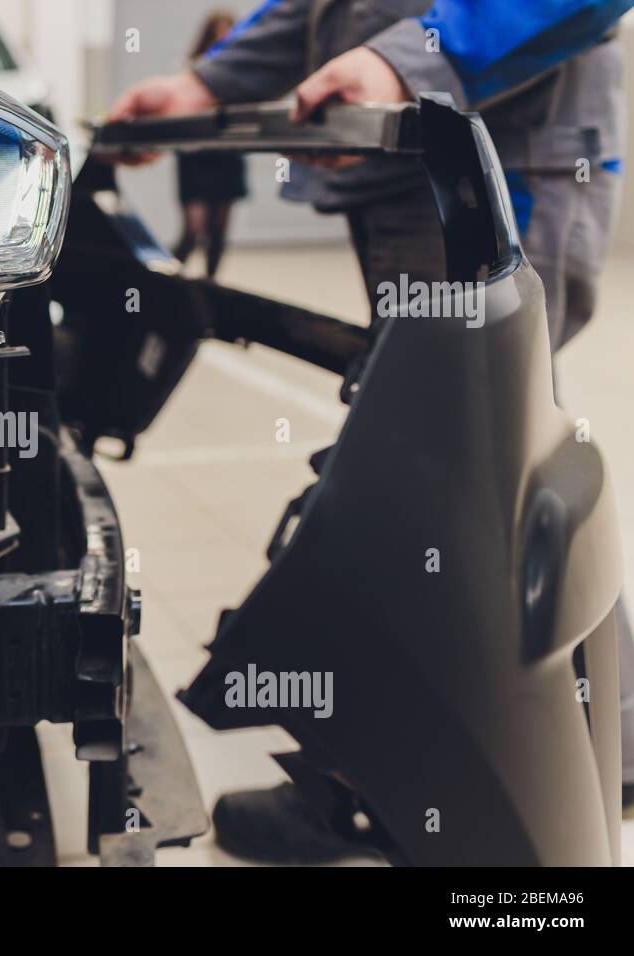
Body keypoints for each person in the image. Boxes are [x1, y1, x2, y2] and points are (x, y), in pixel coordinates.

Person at [110, 0, 634, 862]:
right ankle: (598, 729)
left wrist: (419, 56)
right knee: (478, 454)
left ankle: (398, 799)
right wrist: (207, 82)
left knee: (458, 469)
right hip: (405, 157)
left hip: (496, 156)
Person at [173, 12, 248, 275]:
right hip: (196, 158)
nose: (225, 36)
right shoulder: (194, 70)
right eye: (220, 30)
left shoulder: (242, 72)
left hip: (226, 156)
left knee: (218, 230)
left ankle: (210, 284)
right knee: (194, 229)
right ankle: (168, 279)